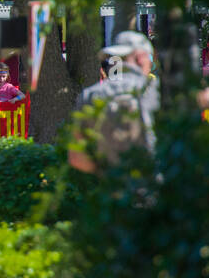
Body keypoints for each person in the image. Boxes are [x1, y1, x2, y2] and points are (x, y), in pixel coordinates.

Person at [69, 31, 161, 175]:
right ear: (140, 58)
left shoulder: (90, 96)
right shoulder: (157, 92)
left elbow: (76, 157)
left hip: (110, 191)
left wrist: (109, 177)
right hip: (155, 186)